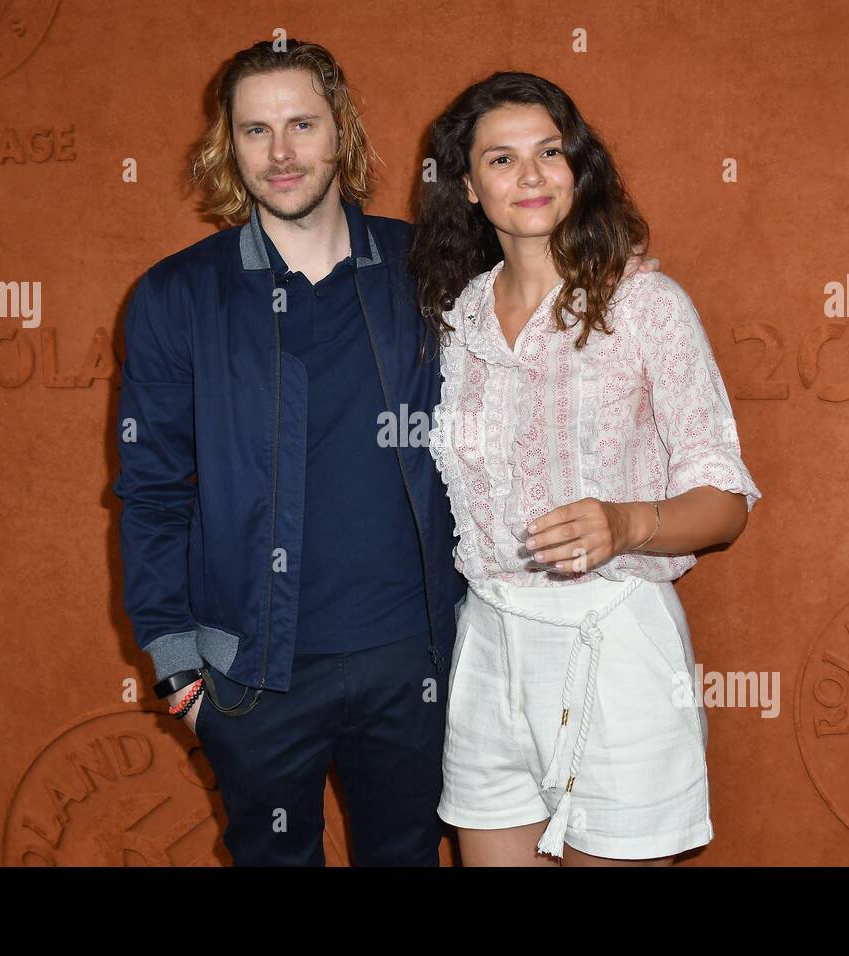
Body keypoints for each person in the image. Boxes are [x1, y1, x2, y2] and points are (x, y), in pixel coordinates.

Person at [113, 40, 661, 866]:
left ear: (343, 133)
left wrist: (611, 276)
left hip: (420, 661)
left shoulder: (431, 269)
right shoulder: (175, 297)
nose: (282, 152)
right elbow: (151, 488)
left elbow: (544, 312)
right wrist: (178, 670)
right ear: (230, 147)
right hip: (252, 675)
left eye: (302, 124)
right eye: (256, 131)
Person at [410, 71, 763, 867]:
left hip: (617, 649)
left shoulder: (646, 306)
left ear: (580, 167)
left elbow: (726, 501)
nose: (530, 176)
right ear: (466, 185)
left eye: (550, 151)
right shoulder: (450, 320)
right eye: (500, 160)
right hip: (488, 647)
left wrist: (629, 522)